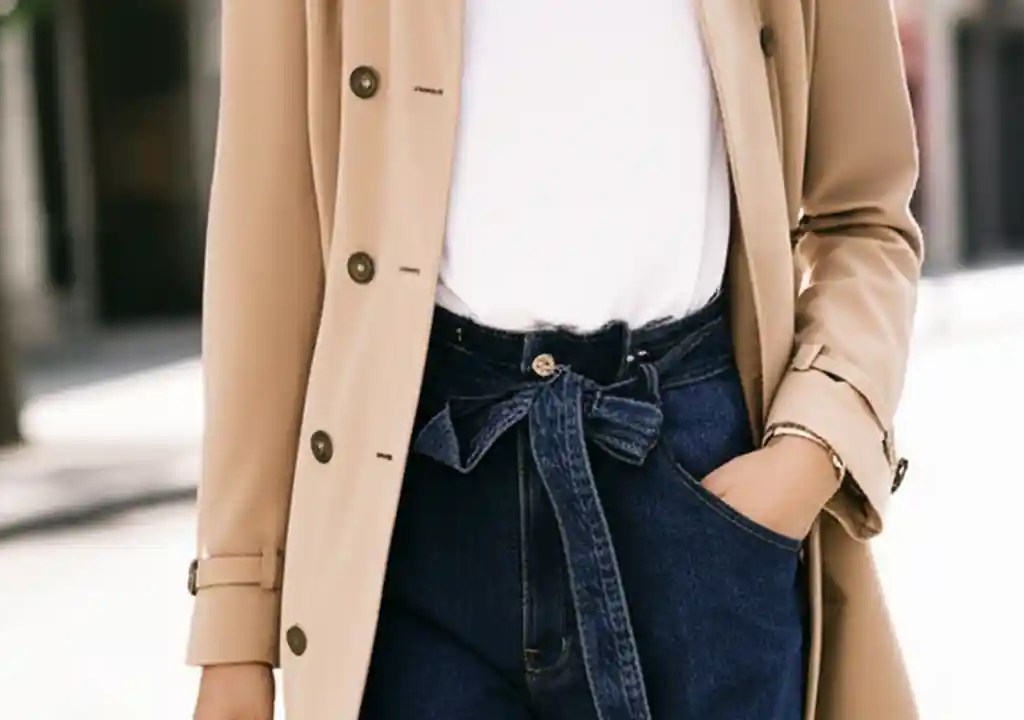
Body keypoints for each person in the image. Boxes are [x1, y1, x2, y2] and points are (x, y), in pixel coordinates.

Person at [188, 2, 922, 719]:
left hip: (699, 496)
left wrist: (809, 453)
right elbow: (266, 239)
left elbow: (865, 214)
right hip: (417, 510)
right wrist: (236, 633)